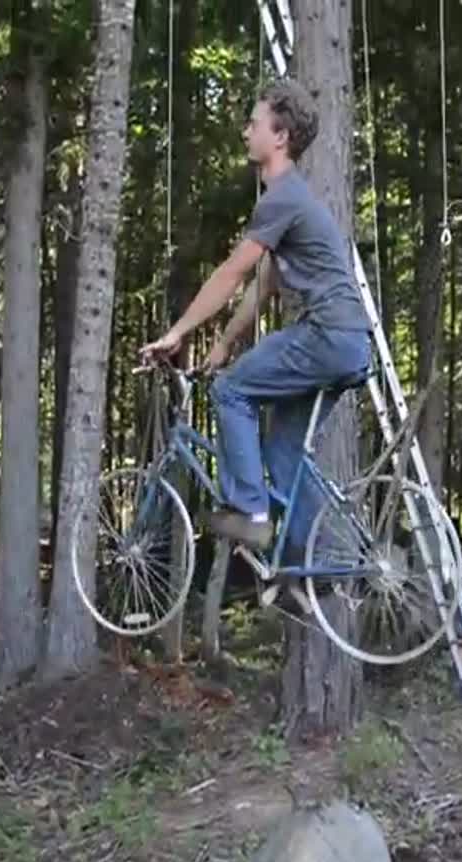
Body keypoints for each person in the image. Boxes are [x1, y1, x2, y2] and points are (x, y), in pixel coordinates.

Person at [139, 79, 372, 559]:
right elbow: (263, 284)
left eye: (254, 123)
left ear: (280, 136)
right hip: (348, 342)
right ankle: (313, 567)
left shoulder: (282, 198)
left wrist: (177, 332)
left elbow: (232, 273)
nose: (246, 131)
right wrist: (224, 343)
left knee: (231, 390)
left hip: (328, 334)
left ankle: (250, 512)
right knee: (284, 452)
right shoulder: (291, 202)